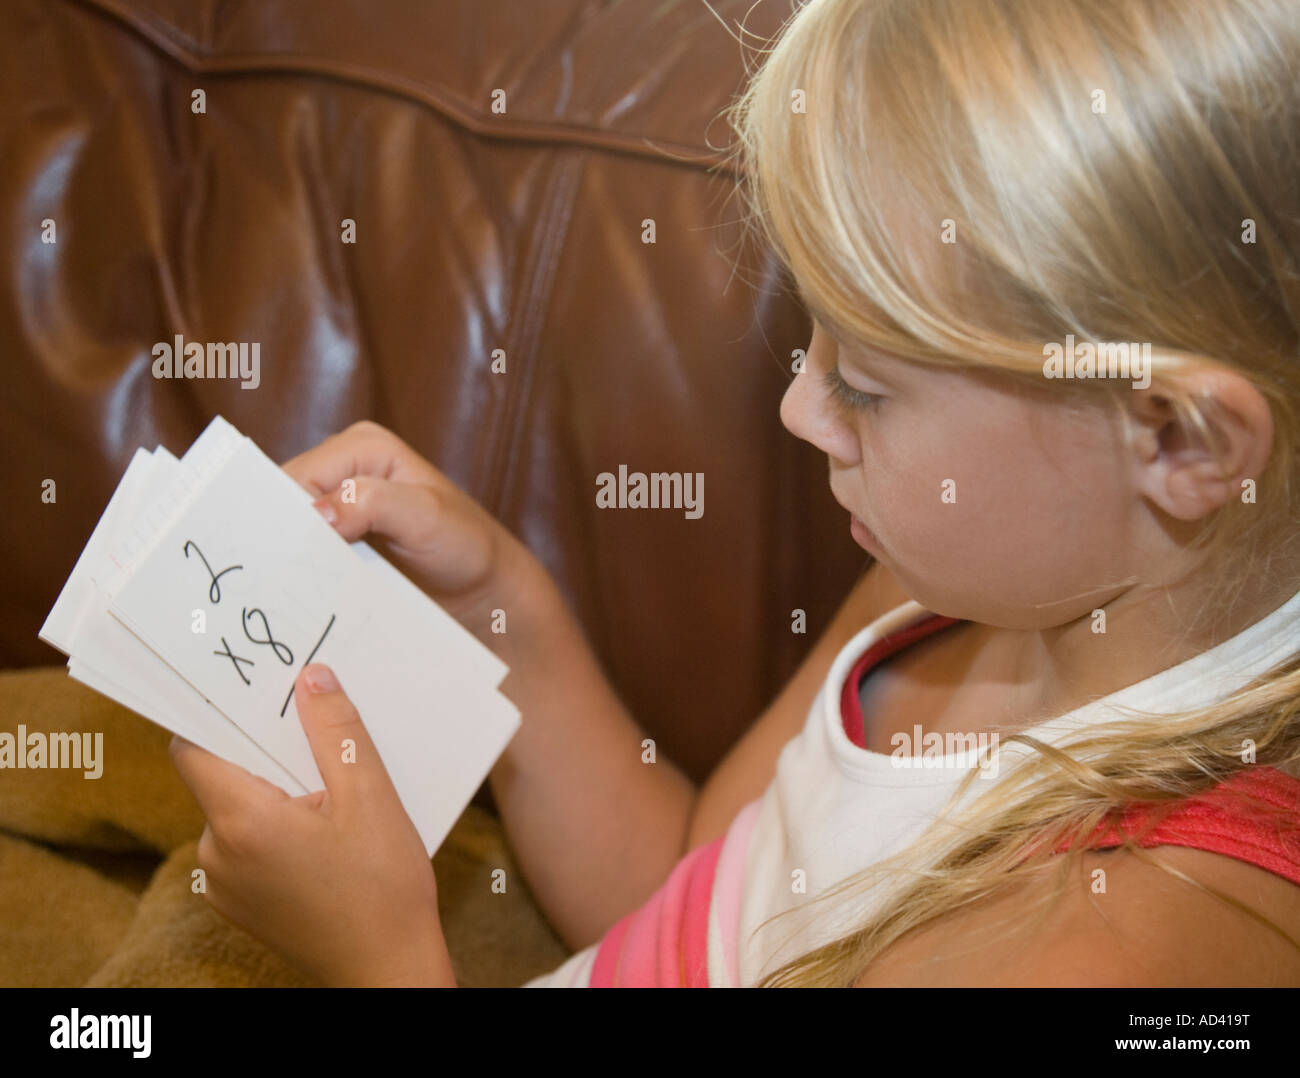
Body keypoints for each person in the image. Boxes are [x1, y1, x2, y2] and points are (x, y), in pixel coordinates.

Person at [169, 0, 1300, 986]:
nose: (800, 410)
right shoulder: (950, 585)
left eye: (864, 384)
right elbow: (680, 898)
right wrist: (500, 604)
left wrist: (379, 957)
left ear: (1176, 439)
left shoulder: (1134, 936)